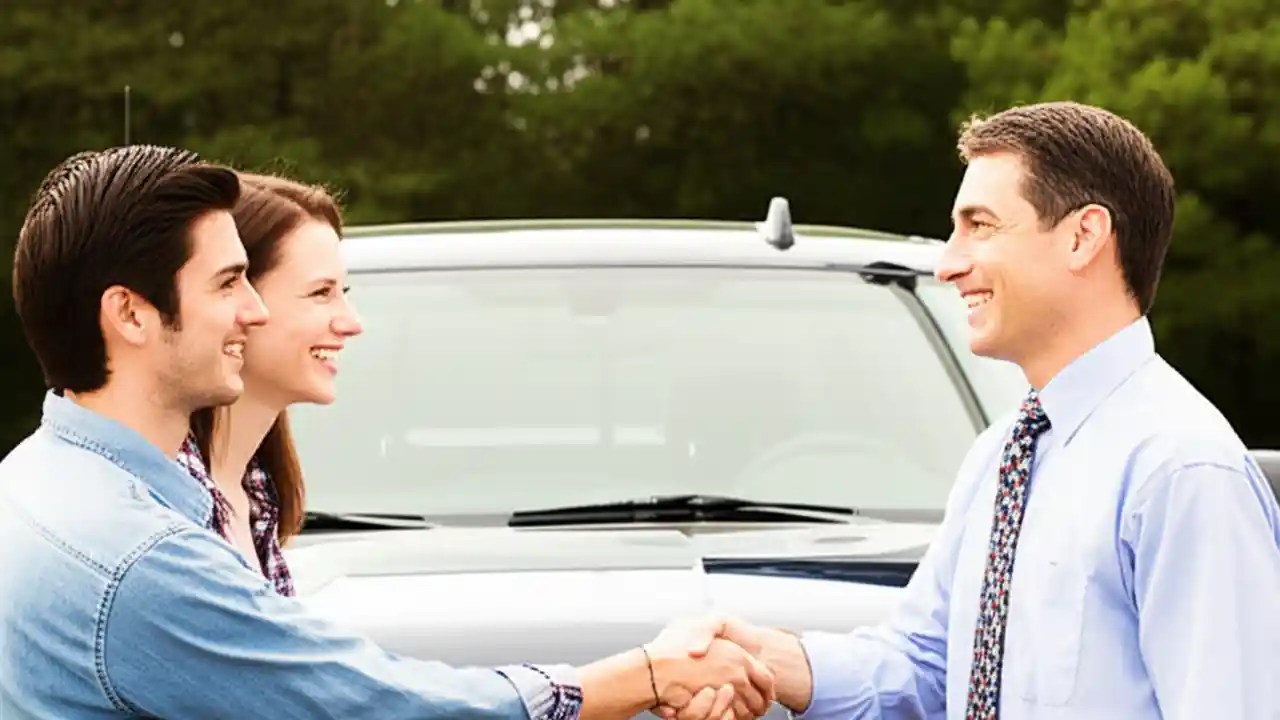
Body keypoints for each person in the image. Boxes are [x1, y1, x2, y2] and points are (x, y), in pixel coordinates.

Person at [0, 145, 774, 720]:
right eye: (230, 284)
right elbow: (372, 705)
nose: (255, 312)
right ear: (130, 314)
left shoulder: (36, 478)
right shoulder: (142, 560)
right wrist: (642, 675)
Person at [660, 101, 1280, 719]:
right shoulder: (1002, 455)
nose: (948, 263)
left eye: (980, 225)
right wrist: (762, 662)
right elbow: (927, 666)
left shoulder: (1183, 472)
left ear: (1083, 237)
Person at [175, 171, 361, 596]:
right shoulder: (172, 510)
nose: (352, 323)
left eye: (343, 292)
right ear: (236, 298)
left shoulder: (254, 492)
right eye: (321, 293)